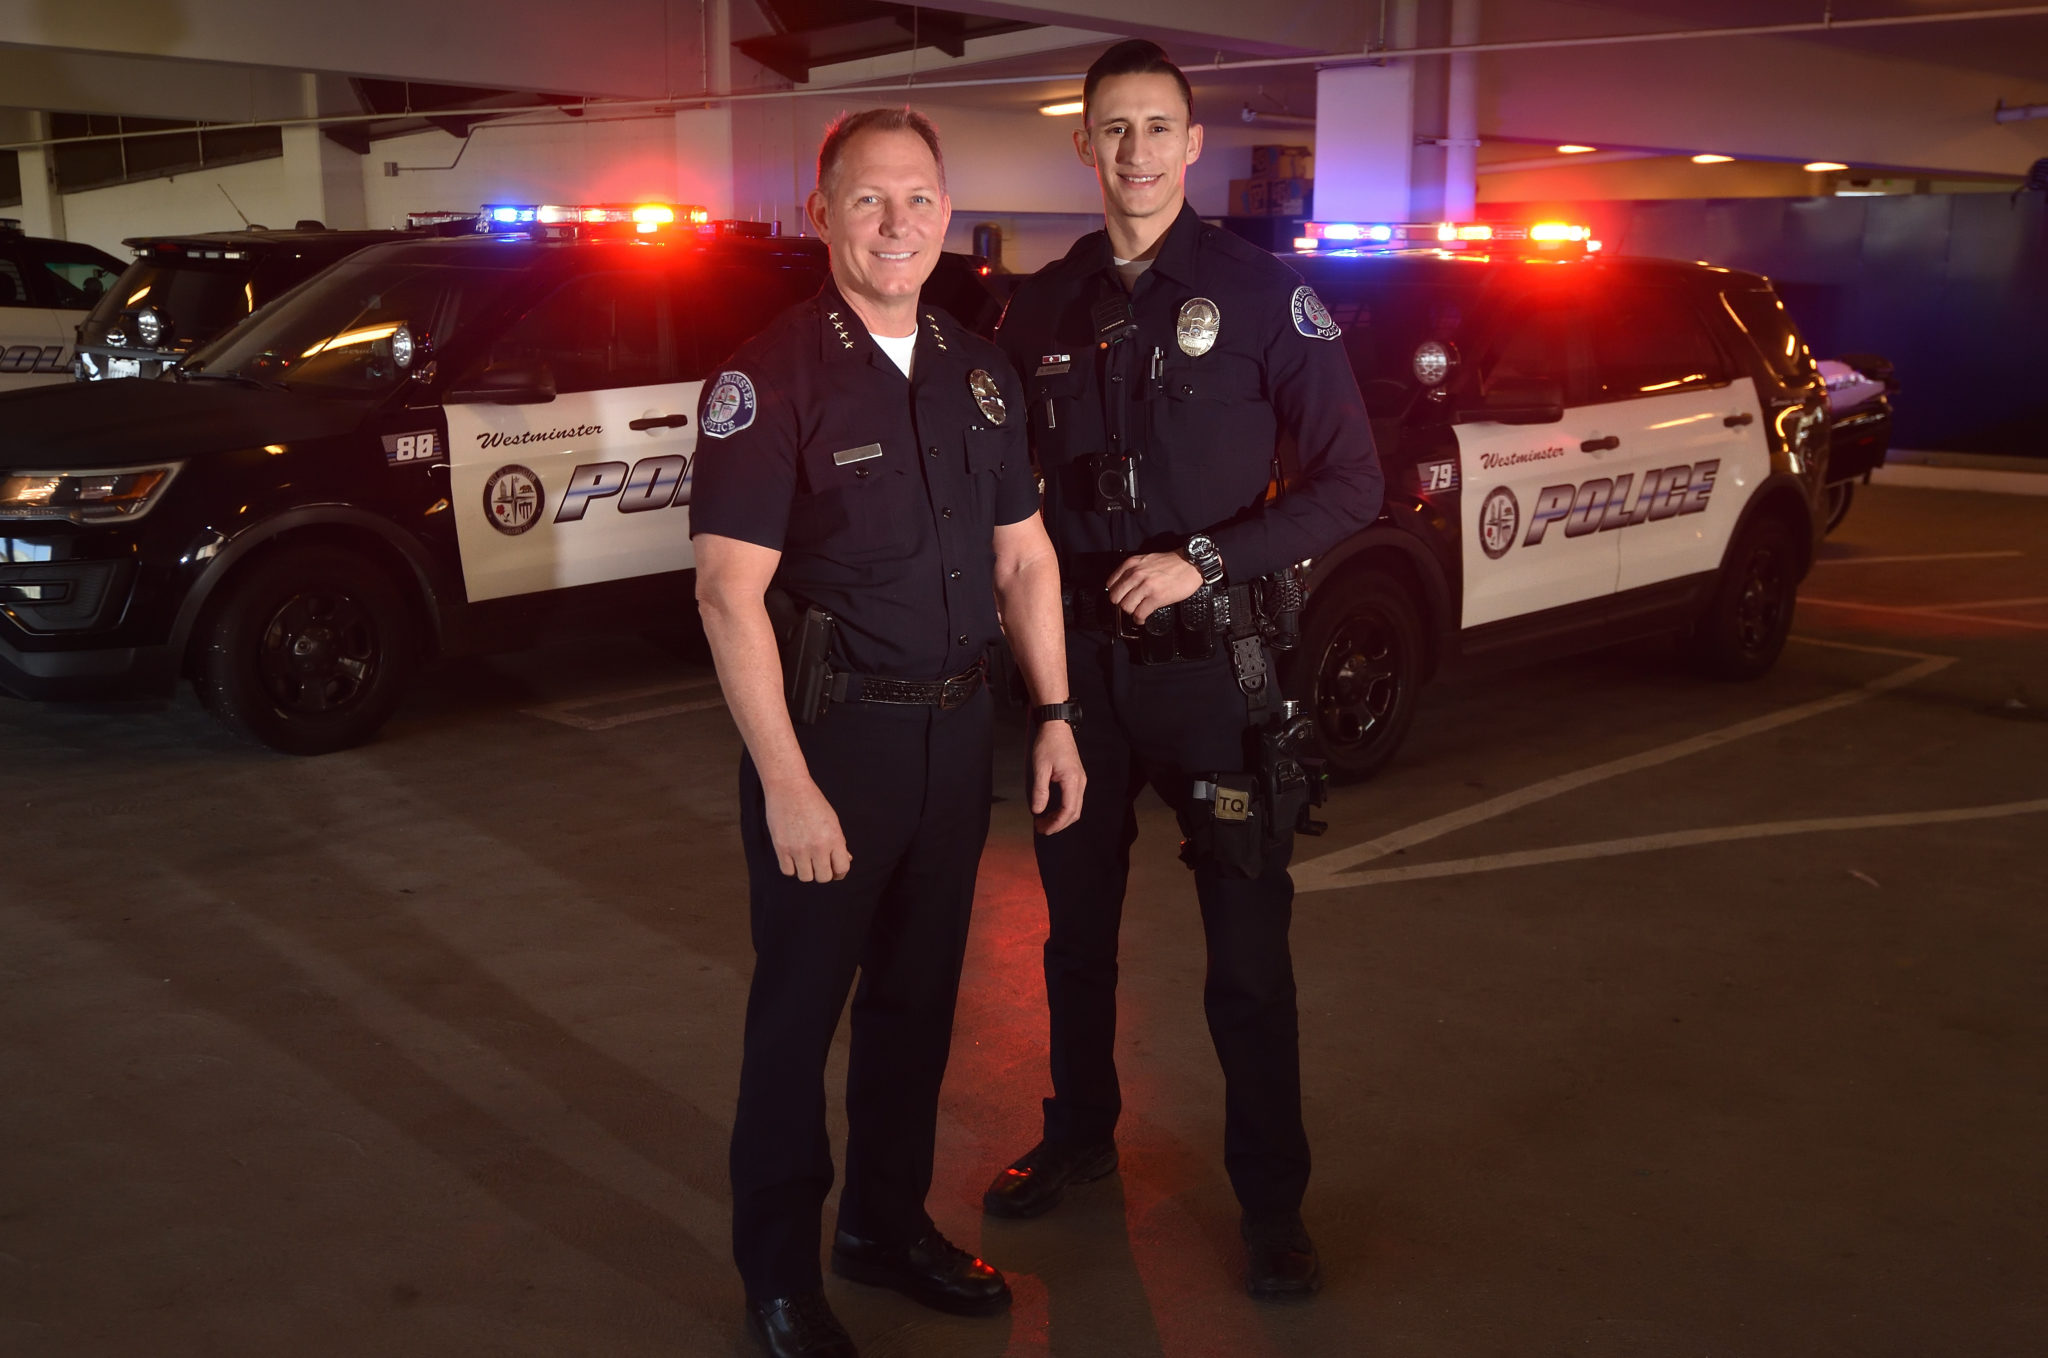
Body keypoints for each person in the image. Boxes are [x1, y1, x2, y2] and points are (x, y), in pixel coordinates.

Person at [982, 40, 1384, 1298]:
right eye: (1113, 130)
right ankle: (1079, 1136)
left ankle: (1272, 1204)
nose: (1137, 153)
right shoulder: (1038, 307)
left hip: (1215, 677)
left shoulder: (1267, 296)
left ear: (1192, 144)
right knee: (1073, 942)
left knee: (1246, 964)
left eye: (1158, 128)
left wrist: (1204, 560)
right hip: (1080, 685)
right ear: (1082, 145)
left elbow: (1349, 485)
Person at [692, 108, 1084, 1358]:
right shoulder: (769, 377)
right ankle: (777, 1276)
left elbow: (1023, 559)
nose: (897, 224)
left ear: (945, 210)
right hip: (834, 745)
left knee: (917, 1007)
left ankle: (881, 1223)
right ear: (821, 214)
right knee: (799, 1017)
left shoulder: (979, 368)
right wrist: (789, 785)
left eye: (918, 199)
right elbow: (726, 592)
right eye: (869, 200)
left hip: (956, 738)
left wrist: (1058, 718)